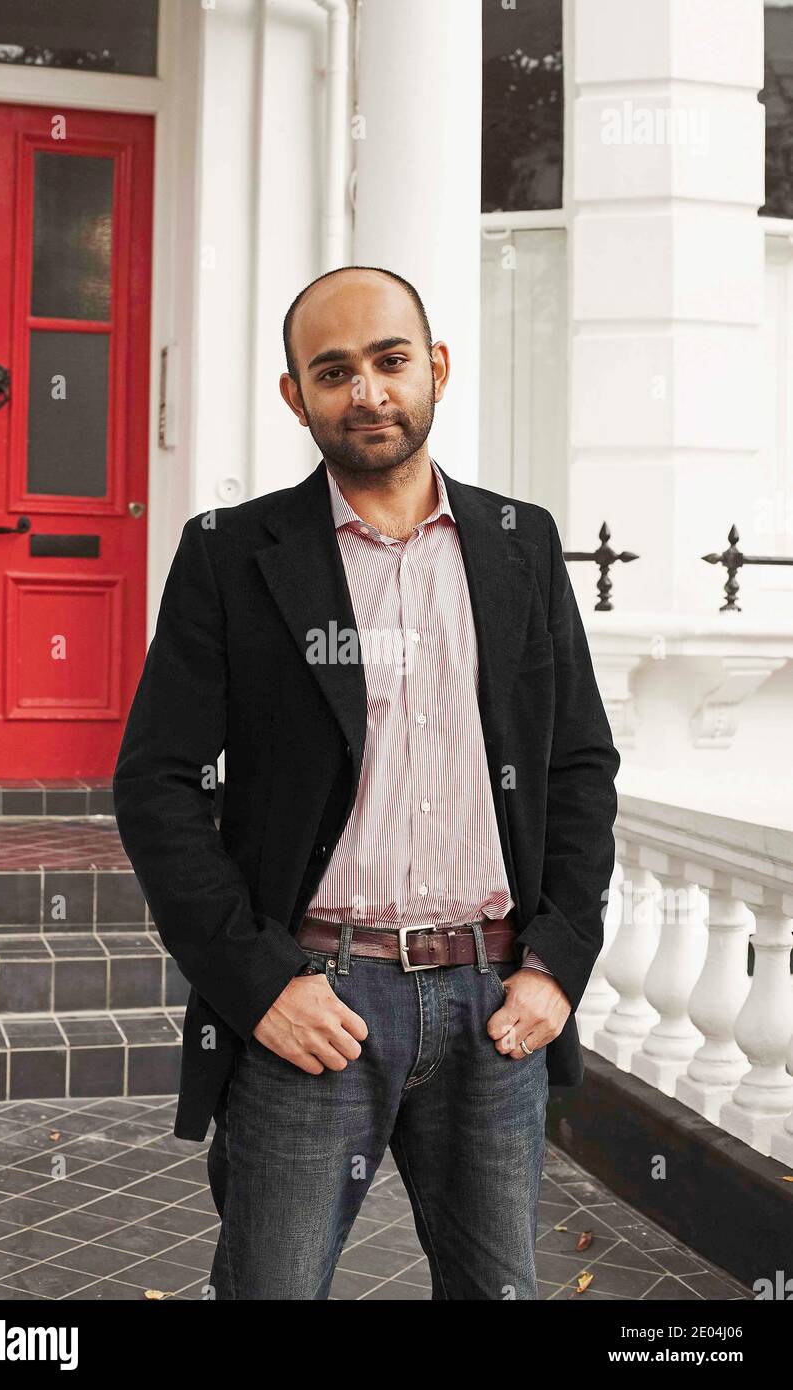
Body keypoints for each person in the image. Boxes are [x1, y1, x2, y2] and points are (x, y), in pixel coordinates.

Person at [113, 265, 620, 1300]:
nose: (368, 392)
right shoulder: (229, 557)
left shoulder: (519, 547)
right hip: (316, 1007)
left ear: (434, 368)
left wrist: (557, 961)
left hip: (494, 1006)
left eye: (389, 361)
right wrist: (257, 985)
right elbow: (157, 785)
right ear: (295, 396)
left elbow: (577, 766)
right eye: (333, 371)